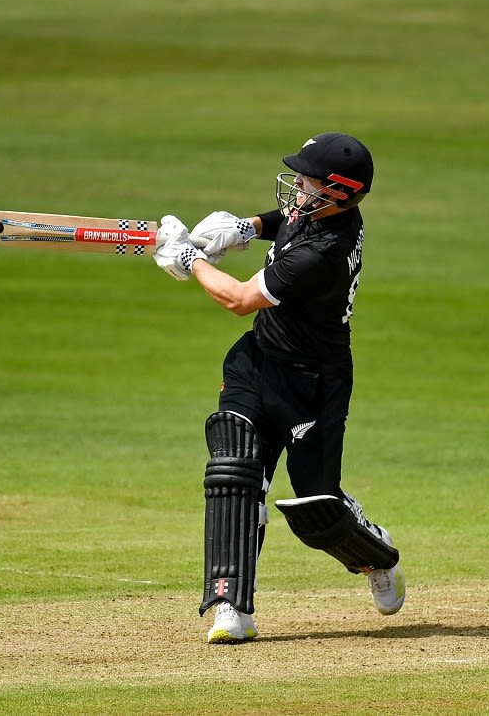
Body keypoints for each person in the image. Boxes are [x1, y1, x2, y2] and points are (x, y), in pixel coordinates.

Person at [152, 132, 406, 644]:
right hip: (258, 361)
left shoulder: (324, 254)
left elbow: (240, 299)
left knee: (317, 512)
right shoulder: (319, 212)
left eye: (308, 182)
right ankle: (230, 606)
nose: (297, 190)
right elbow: (284, 221)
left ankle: (376, 555)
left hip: (313, 381)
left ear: (337, 193)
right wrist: (245, 228)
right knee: (234, 469)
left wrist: (189, 260)